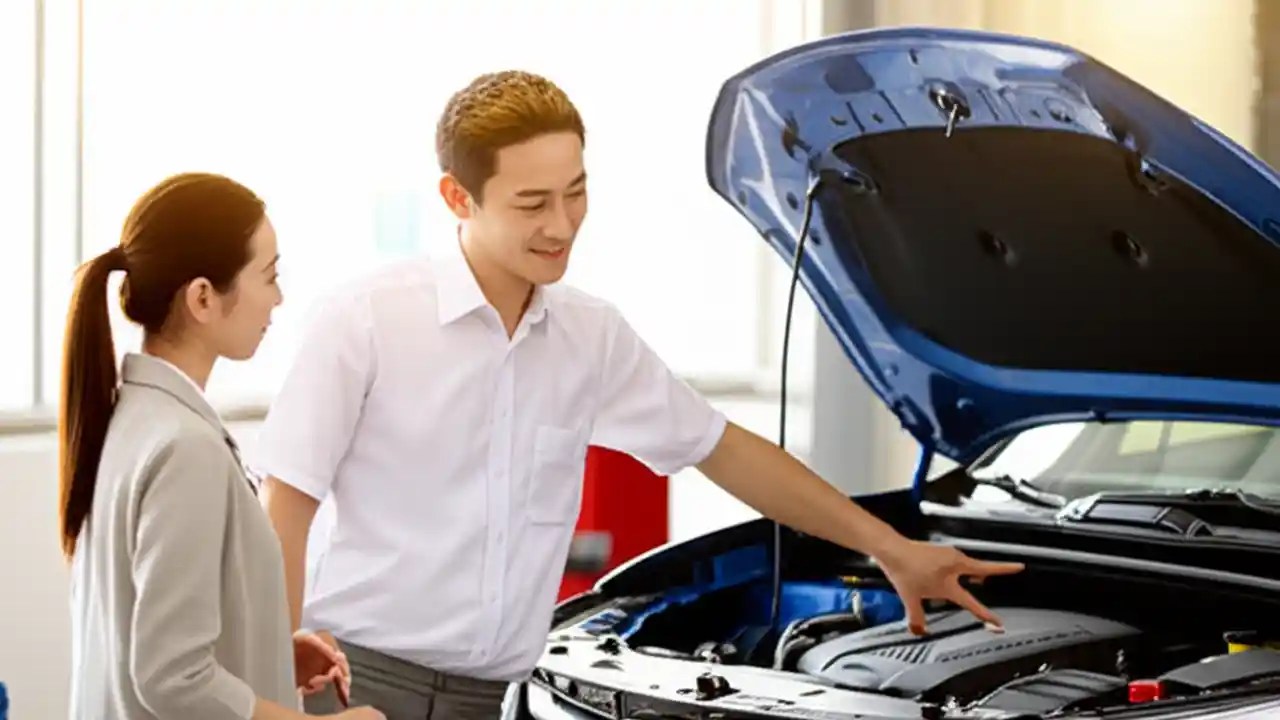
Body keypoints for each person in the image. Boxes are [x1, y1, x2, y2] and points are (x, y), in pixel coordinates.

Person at [254, 71, 1025, 718]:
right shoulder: (367, 319)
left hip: (496, 699)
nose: (562, 225)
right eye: (532, 204)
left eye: (576, 192)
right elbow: (284, 506)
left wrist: (891, 548)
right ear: (459, 198)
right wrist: (277, 693)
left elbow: (724, 450)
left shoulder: (589, 335)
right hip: (348, 685)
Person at [61, 172, 384, 720]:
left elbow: (150, 635)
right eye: (269, 276)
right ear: (203, 297)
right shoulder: (184, 448)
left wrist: (265, 654)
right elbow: (172, 678)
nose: (278, 298)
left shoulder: (132, 419)